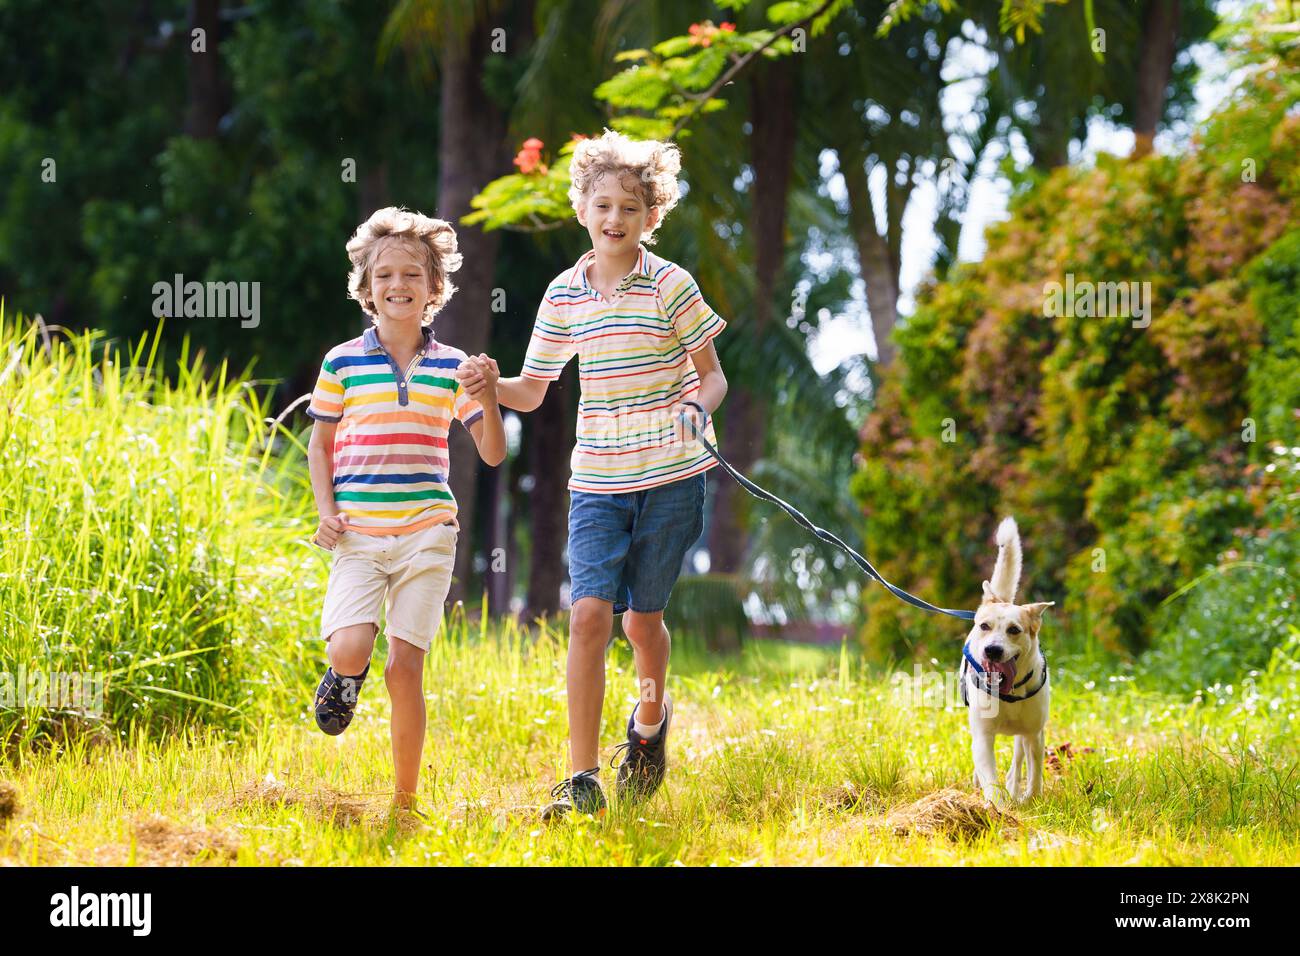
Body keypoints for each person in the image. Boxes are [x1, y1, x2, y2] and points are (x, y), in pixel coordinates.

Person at [458, 130, 728, 819]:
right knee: (587, 617)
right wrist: (490, 387)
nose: (615, 219)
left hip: (672, 476)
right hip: (597, 483)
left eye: (630, 209)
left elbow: (713, 376)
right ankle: (580, 780)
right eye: (603, 204)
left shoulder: (671, 283)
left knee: (642, 623)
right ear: (582, 208)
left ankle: (648, 723)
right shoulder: (564, 293)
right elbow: (534, 389)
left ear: (651, 216)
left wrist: (696, 409)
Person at [306, 207, 505, 814]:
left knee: (405, 669)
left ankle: (404, 802)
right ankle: (345, 674)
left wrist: (489, 398)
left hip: (427, 534)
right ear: (367, 288)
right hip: (358, 534)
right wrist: (326, 510)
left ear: (433, 289)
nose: (399, 285)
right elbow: (320, 443)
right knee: (349, 647)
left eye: (413, 275)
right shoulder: (342, 361)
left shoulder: (454, 368)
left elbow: (492, 454)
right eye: (385, 275)